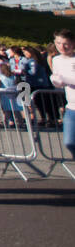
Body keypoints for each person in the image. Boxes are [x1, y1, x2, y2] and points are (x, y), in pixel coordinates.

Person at [51, 29, 75, 161]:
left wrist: (64, 79)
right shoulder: (56, 60)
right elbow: (58, 80)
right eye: (58, 43)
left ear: (73, 44)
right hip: (71, 107)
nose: (62, 47)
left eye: (66, 43)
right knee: (69, 142)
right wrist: (55, 81)